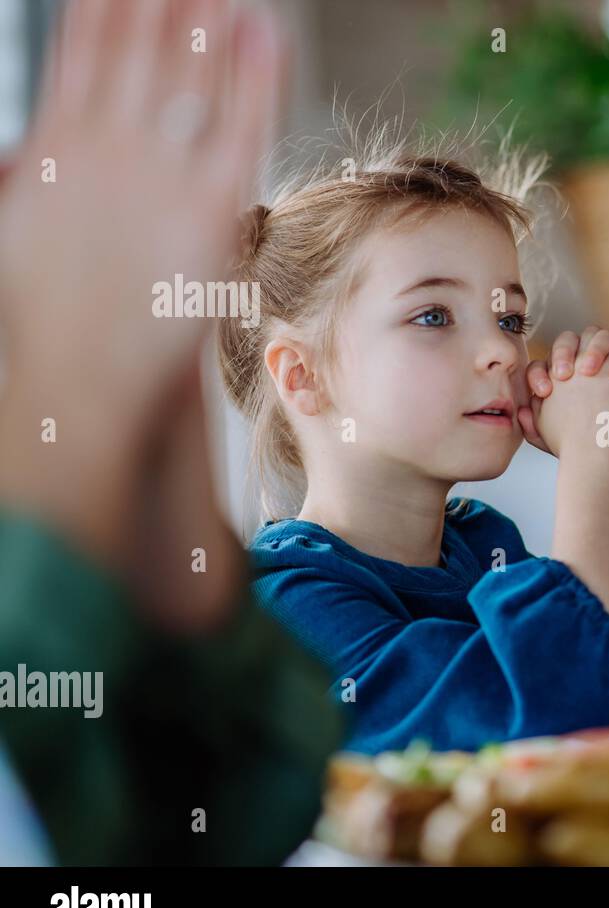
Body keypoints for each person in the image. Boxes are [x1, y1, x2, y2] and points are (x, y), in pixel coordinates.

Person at [217, 140, 609, 755]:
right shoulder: (287, 603)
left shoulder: (485, 548)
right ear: (302, 375)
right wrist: (591, 459)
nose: (503, 351)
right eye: (433, 316)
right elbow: (550, 704)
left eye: (509, 319)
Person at [0, 0, 342, 864]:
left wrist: (154, 453)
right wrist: (79, 414)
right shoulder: (314, 576)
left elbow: (245, 805)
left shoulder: (480, 542)